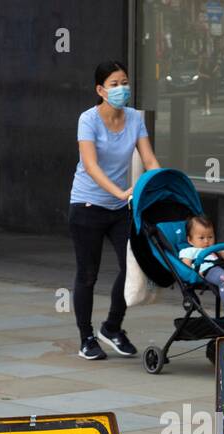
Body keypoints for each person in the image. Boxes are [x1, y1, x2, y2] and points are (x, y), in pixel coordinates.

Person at [68, 60, 160, 360]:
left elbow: (149, 160)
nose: (122, 89)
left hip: (121, 208)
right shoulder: (88, 119)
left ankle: (112, 327)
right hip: (87, 205)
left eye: (125, 83)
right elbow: (91, 165)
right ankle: (86, 338)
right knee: (87, 275)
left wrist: (159, 185)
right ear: (100, 90)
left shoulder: (134, 119)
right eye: (115, 84)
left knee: (133, 266)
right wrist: (120, 191)